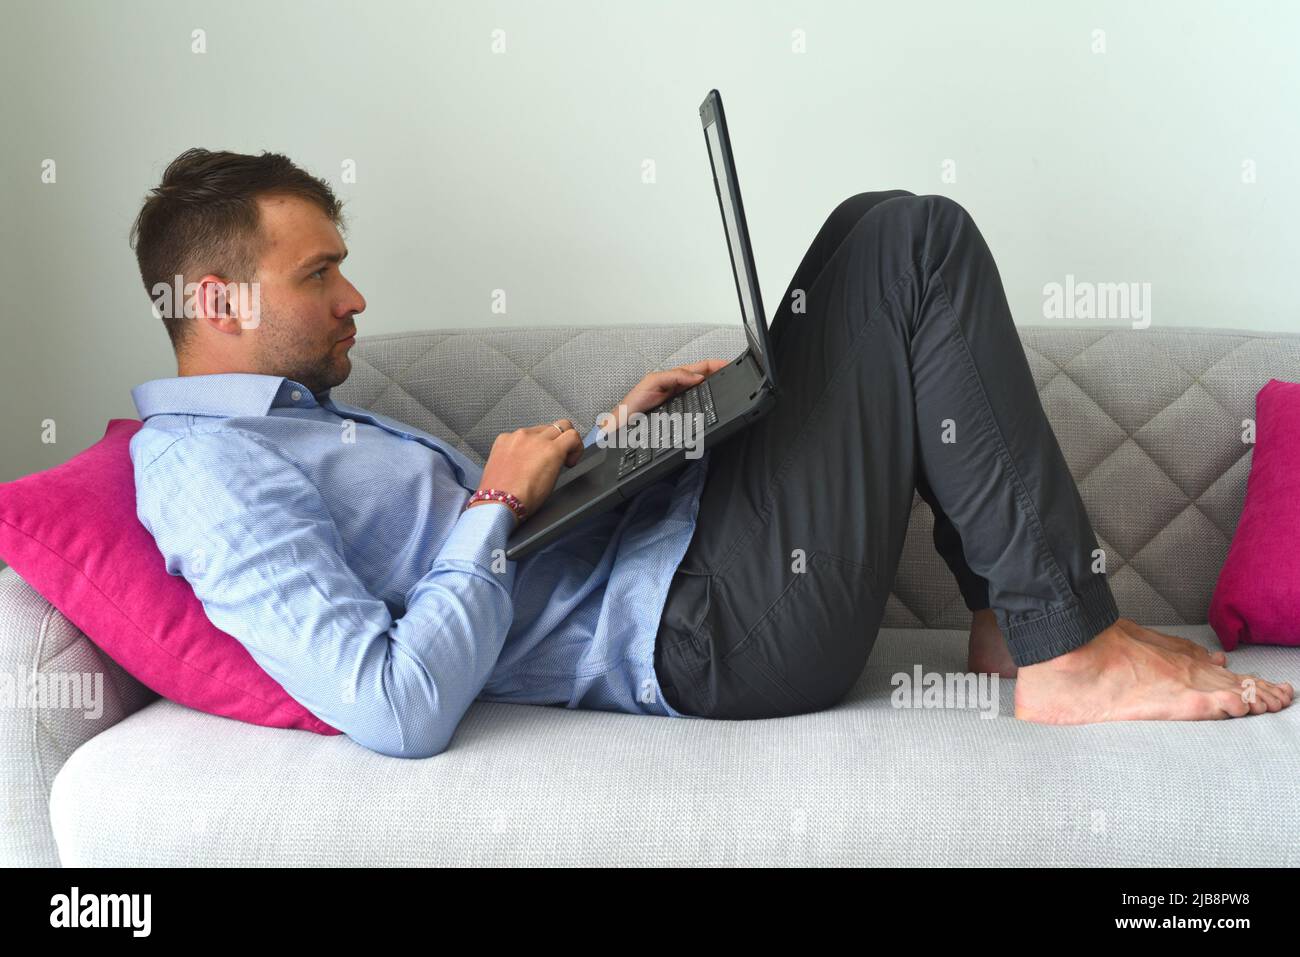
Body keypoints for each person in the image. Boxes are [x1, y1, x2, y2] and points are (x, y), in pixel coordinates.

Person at [126, 149, 1290, 761]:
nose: (353, 296)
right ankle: (1064, 651)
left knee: (861, 231)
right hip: (712, 640)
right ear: (216, 299)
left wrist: (631, 442)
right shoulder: (203, 473)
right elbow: (390, 702)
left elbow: (507, 552)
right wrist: (491, 497)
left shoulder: (292, 419)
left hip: (689, 557)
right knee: (912, 242)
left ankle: (1015, 619)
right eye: (318, 272)